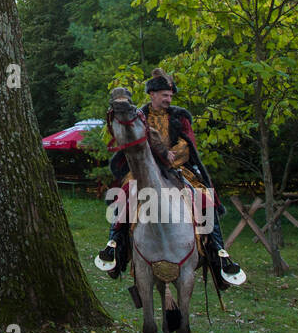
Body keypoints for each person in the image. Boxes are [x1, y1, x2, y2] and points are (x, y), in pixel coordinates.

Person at [96, 68, 245, 286]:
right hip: (142, 169)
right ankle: (115, 245)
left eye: (170, 96)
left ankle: (218, 252)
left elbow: (186, 145)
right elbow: (131, 142)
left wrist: (172, 158)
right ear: (152, 95)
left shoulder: (180, 117)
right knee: (124, 194)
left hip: (178, 169)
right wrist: (157, 158)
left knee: (205, 197)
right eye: (164, 95)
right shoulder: (139, 116)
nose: (168, 99)